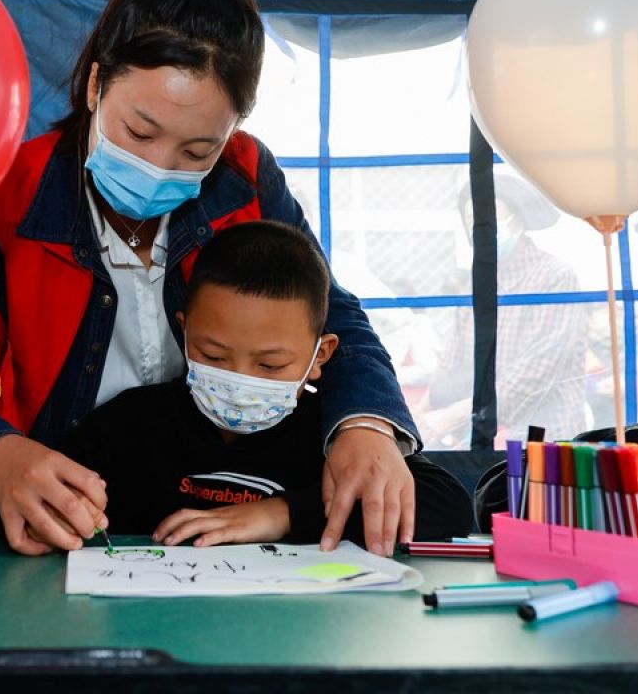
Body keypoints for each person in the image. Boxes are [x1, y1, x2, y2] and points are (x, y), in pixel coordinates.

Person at [0, 0, 421, 557]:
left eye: (197, 150)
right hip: (66, 503)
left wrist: (365, 423)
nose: (158, 165)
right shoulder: (14, 189)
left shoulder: (246, 179)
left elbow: (327, 311)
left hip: (209, 503)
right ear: (96, 85)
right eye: (139, 132)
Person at [63, 221, 473, 548]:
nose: (241, 380)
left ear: (321, 356)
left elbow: (447, 504)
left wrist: (280, 514)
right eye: (214, 356)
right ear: (184, 332)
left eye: (270, 365)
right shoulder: (132, 427)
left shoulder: (328, 438)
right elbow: (55, 494)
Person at [422, 172, 588, 447]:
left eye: (492, 217)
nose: (481, 227)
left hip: (544, 433)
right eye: (471, 221)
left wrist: (451, 416)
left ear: (518, 222)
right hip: (483, 427)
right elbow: (452, 362)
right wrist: (421, 410)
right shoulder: (474, 284)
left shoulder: (554, 277)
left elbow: (535, 374)